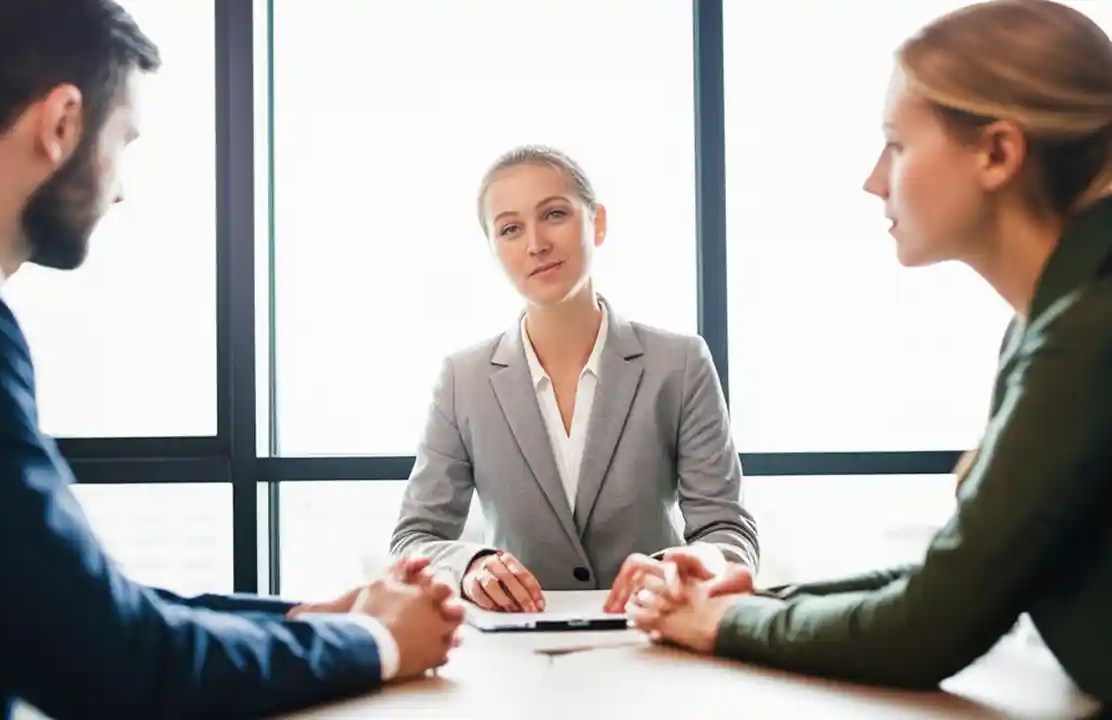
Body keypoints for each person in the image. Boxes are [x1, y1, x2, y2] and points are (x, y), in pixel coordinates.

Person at [0, 1, 462, 717]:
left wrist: (305, 619)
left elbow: (56, 599)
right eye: (123, 140)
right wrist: (375, 641)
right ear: (61, 122)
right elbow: (111, 663)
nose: (121, 188)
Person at [627, 0, 1112, 705]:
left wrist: (723, 622)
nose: (874, 179)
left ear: (998, 153)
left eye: (897, 144)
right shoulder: (1053, 321)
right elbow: (968, 576)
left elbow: (933, 625)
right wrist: (749, 602)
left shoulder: (1086, 331)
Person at [391, 145, 759, 613]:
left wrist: (686, 566)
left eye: (554, 214)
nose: (536, 244)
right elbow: (413, 539)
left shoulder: (680, 363)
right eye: (510, 229)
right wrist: (470, 565)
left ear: (597, 223)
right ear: (494, 249)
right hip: (516, 640)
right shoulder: (463, 380)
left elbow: (727, 531)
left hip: (650, 628)